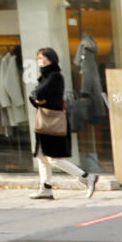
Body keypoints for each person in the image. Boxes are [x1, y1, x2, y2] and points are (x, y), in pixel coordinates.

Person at [27, 48, 98, 199]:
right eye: (38, 58)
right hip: (45, 122)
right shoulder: (45, 77)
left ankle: (86, 177)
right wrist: (37, 98)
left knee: (54, 159)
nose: (39, 60)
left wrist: (37, 97)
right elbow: (34, 97)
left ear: (51, 59)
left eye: (42, 58)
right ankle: (45, 188)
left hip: (52, 123)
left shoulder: (55, 77)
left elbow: (37, 94)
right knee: (41, 156)